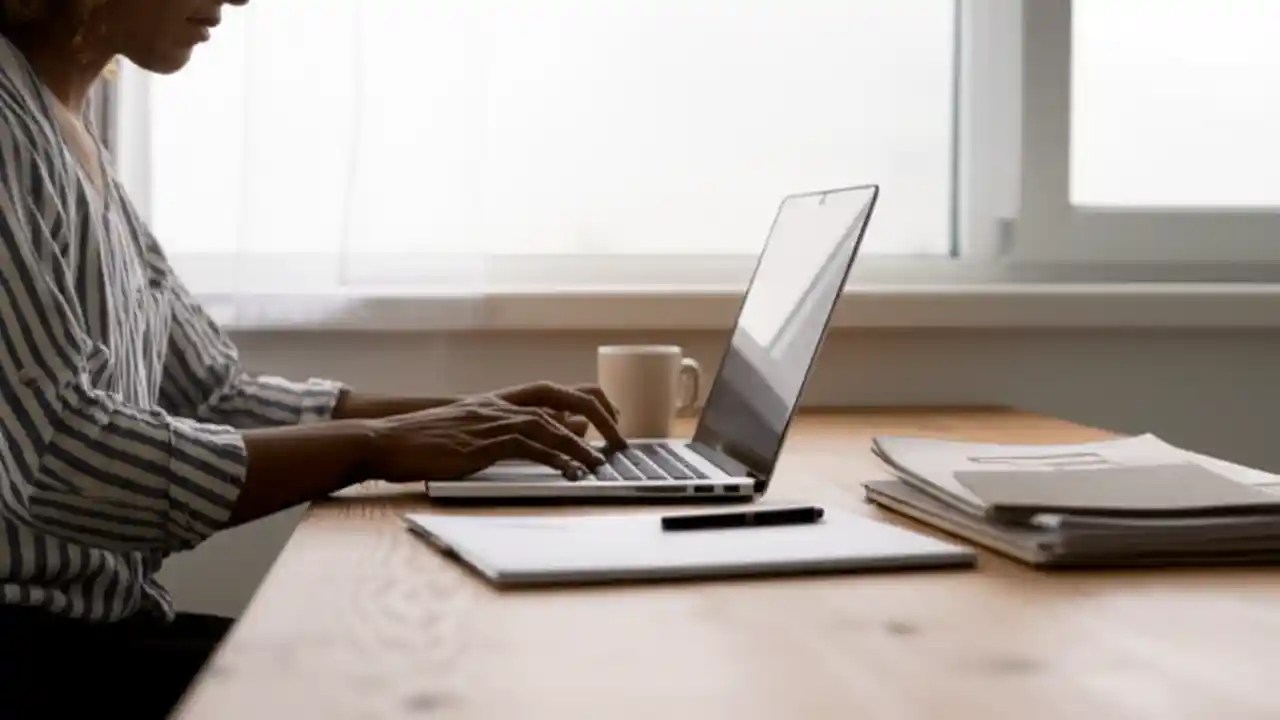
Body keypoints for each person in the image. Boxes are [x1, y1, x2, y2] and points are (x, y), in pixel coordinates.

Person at [0, 1, 626, 716]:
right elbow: (62, 459)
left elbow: (210, 394)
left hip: (107, 631)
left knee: (439, 664)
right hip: (36, 656)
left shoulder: (65, 131)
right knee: (423, 685)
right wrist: (374, 447)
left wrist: (470, 417)